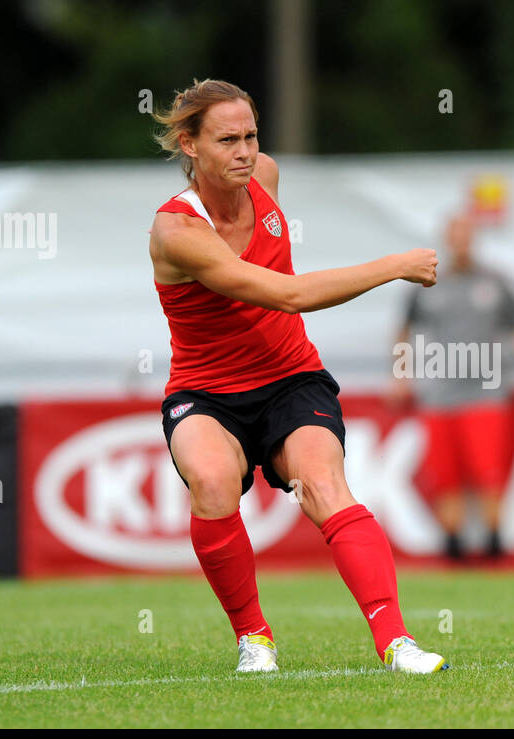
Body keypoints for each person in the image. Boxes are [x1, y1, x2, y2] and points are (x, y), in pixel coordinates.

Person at [148, 79, 447, 674]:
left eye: (251, 136)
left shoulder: (267, 177)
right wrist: (394, 265)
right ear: (189, 145)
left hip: (290, 379)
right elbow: (287, 295)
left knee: (324, 486)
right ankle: (254, 639)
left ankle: (396, 643)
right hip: (206, 394)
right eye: (226, 140)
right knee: (211, 482)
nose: (244, 152)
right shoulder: (177, 231)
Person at [393, 213, 514, 560]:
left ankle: (493, 540)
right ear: (445, 238)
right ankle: (453, 543)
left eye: (465, 235)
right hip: (439, 395)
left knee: (488, 471)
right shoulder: (425, 284)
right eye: (454, 235)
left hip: (486, 394)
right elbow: (404, 332)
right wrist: (400, 375)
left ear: (473, 239)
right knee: (445, 476)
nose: (460, 242)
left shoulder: (496, 283)